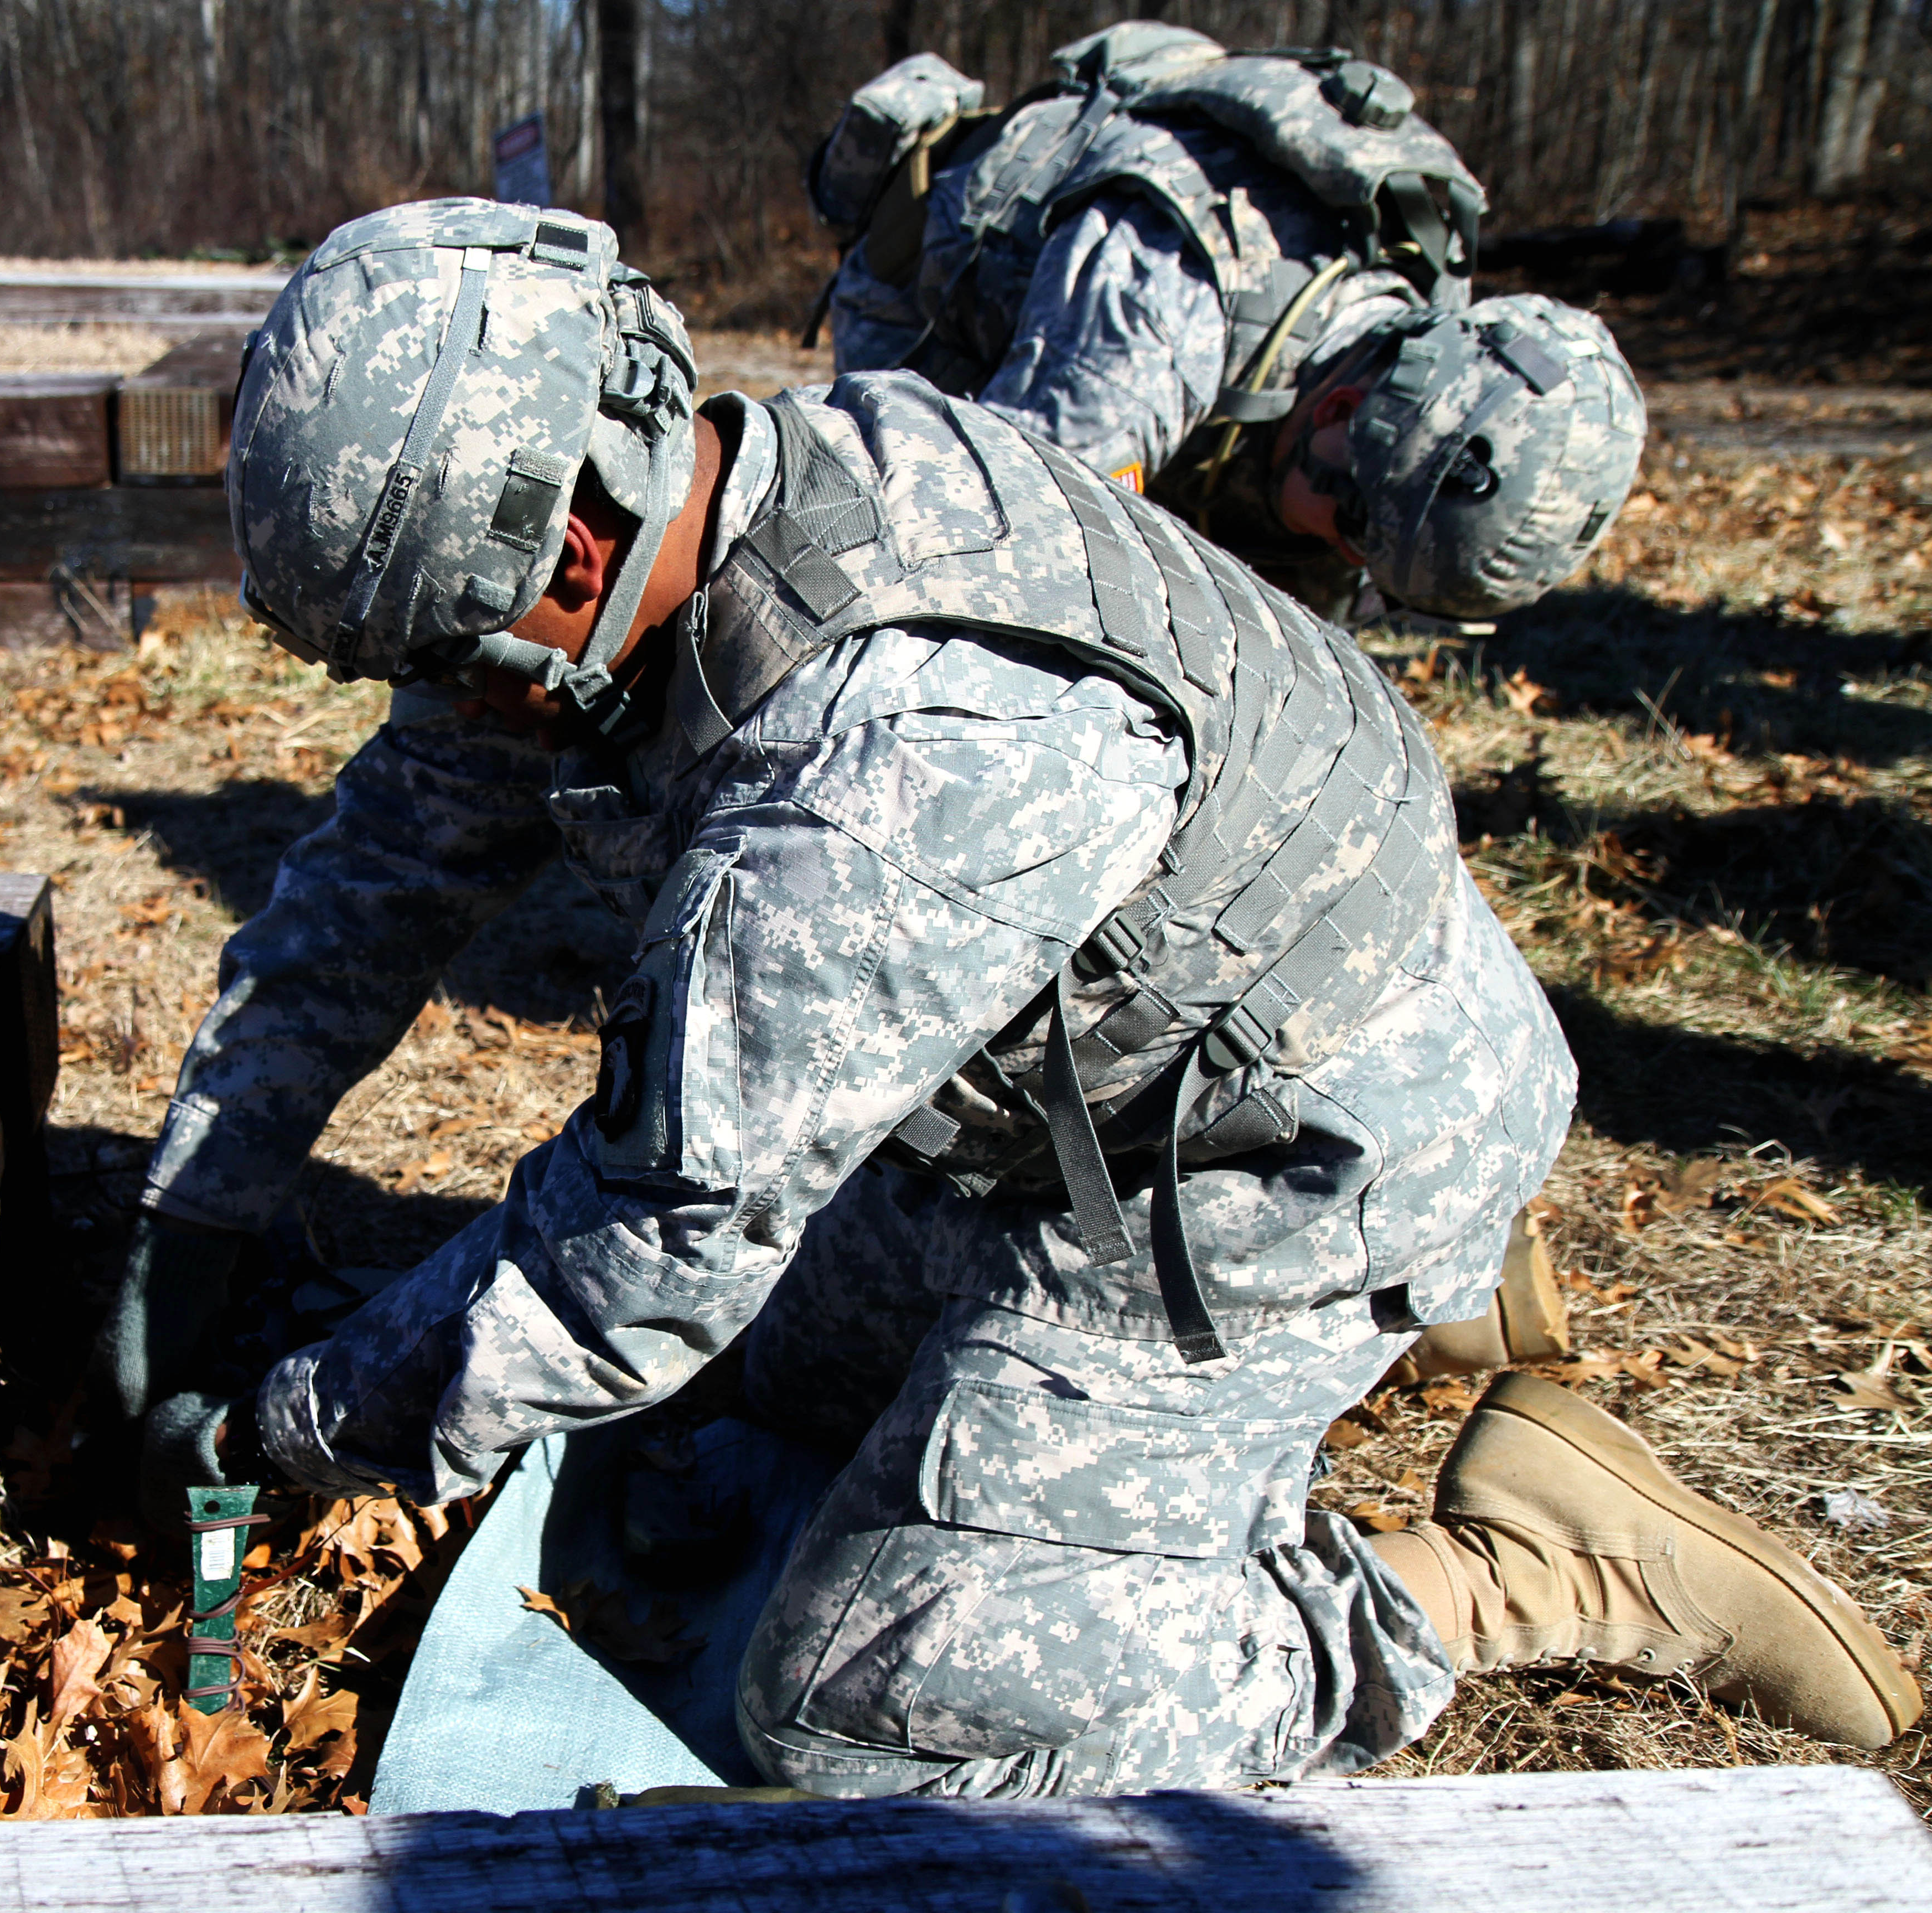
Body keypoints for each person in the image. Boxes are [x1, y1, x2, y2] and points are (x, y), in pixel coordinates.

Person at [105, 198, 1918, 1796]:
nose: (441, 705)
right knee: (738, 1414)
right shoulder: (668, 521)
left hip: (1261, 1165)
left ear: (566, 554)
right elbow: (372, 883)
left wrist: (306, 1420)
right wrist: (200, 1202)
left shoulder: (897, 746)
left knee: (862, 1705)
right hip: (1102, 1108)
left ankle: (1508, 1561)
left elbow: (655, 1243)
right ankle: (1369, 1324)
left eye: (435, 660)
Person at [807, 24, 1645, 623]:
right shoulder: (1148, 326)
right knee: (883, 545)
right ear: (1339, 410)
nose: (1352, 568)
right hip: (934, 299)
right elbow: (980, 547)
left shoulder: (1414, 404)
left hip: (1208, 402)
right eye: (1355, 540)